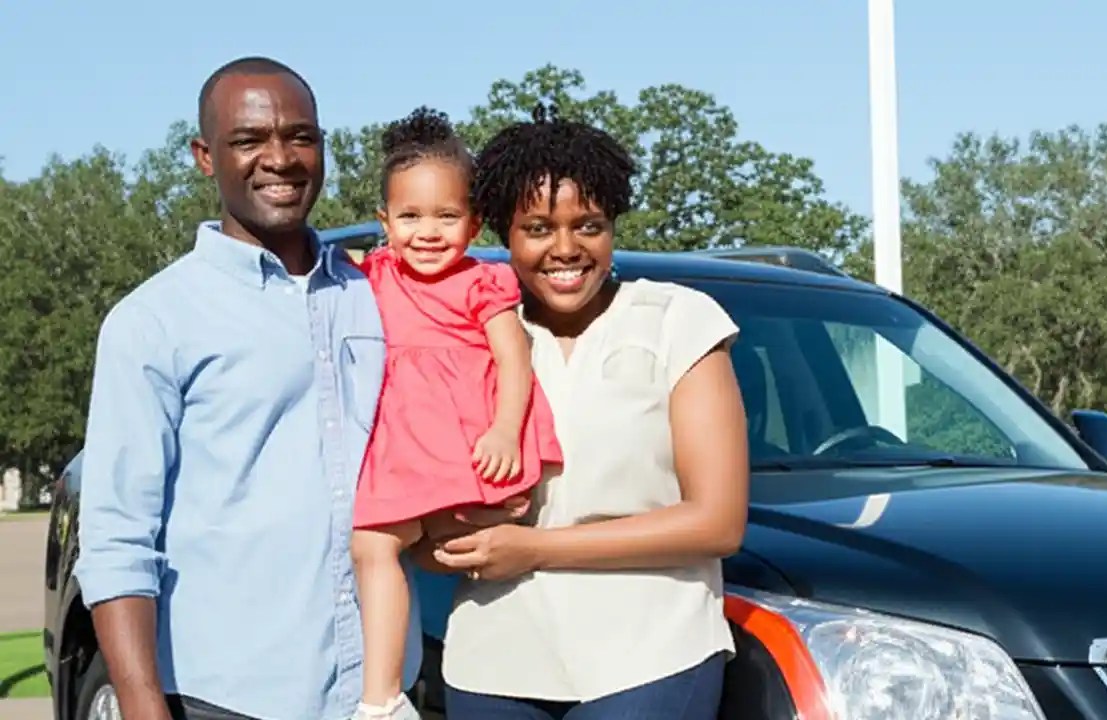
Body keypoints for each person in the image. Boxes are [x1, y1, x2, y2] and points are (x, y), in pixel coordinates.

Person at [73, 56, 421, 720]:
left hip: (383, 694)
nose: (280, 158)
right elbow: (117, 540)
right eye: (249, 140)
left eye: (300, 136)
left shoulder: (376, 294)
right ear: (206, 156)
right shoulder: (152, 322)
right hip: (227, 698)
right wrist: (145, 709)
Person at [428, 105, 752, 719]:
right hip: (492, 657)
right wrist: (439, 540)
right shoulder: (468, 336)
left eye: (589, 225)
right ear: (500, 232)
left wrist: (535, 549)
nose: (567, 248)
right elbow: (426, 507)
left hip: (650, 658)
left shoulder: (679, 320)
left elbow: (718, 522)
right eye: (539, 228)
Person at [348, 107, 562, 719]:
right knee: (373, 545)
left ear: (473, 223)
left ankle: (390, 695)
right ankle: (383, 700)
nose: (428, 231)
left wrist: (505, 429)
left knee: (440, 534)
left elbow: (514, 359)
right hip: (407, 445)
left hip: (466, 441)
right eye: (410, 216)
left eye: (447, 216)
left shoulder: (483, 283)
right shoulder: (376, 275)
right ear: (385, 223)